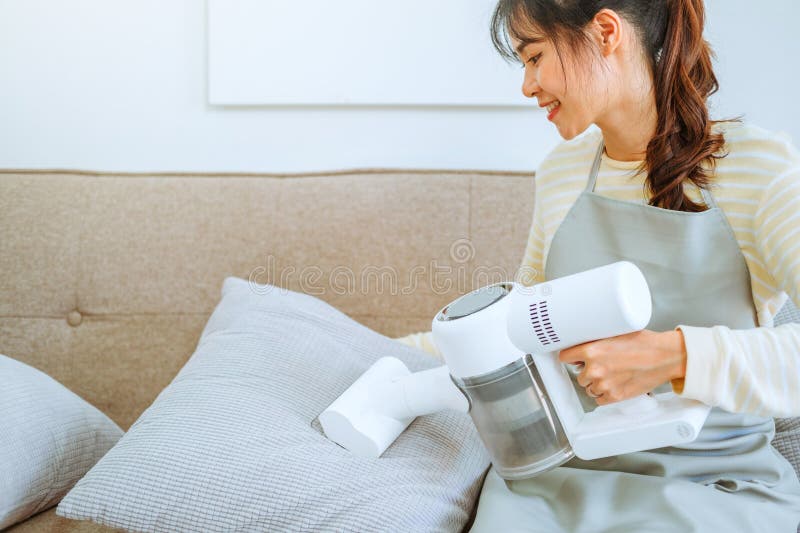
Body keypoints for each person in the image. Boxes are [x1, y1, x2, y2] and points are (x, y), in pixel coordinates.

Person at [396, 0, 800, 530]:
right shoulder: (561, 173)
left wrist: (674, 355)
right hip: (555, 481)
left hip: (713, 485)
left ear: (606, 32)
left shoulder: (758, 170)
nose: (527, 85)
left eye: (535, 56)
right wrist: (378, 353)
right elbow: (519, 329)